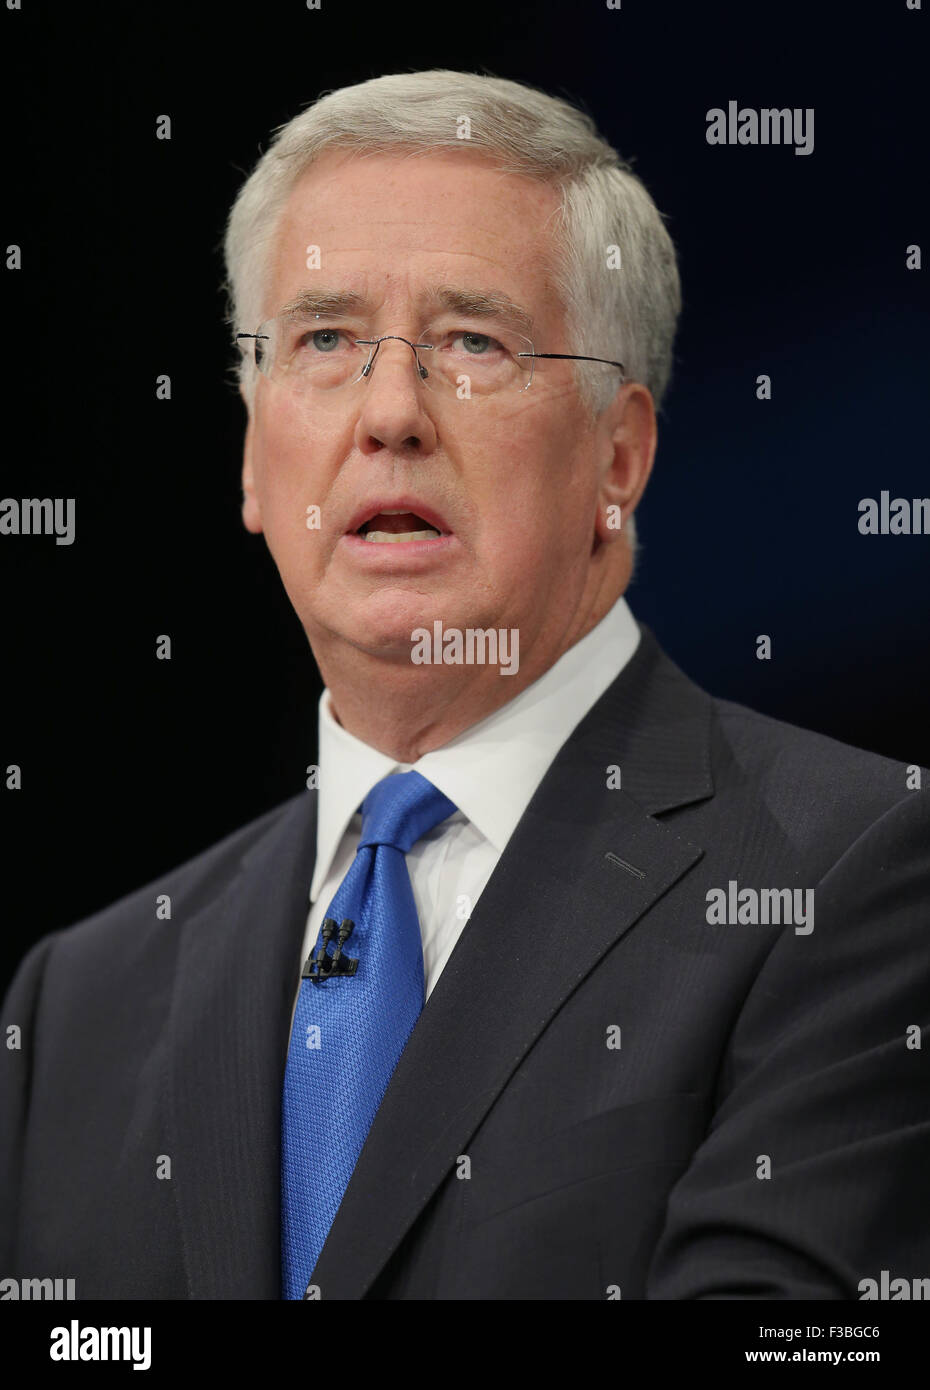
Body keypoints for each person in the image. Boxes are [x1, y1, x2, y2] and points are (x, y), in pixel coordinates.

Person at [2, 70, 927, 1302]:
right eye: (325, 339)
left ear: (619, 453)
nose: (390, 412)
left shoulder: (848, 875)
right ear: (250, 459)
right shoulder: (80, 1007)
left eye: (472, 343)